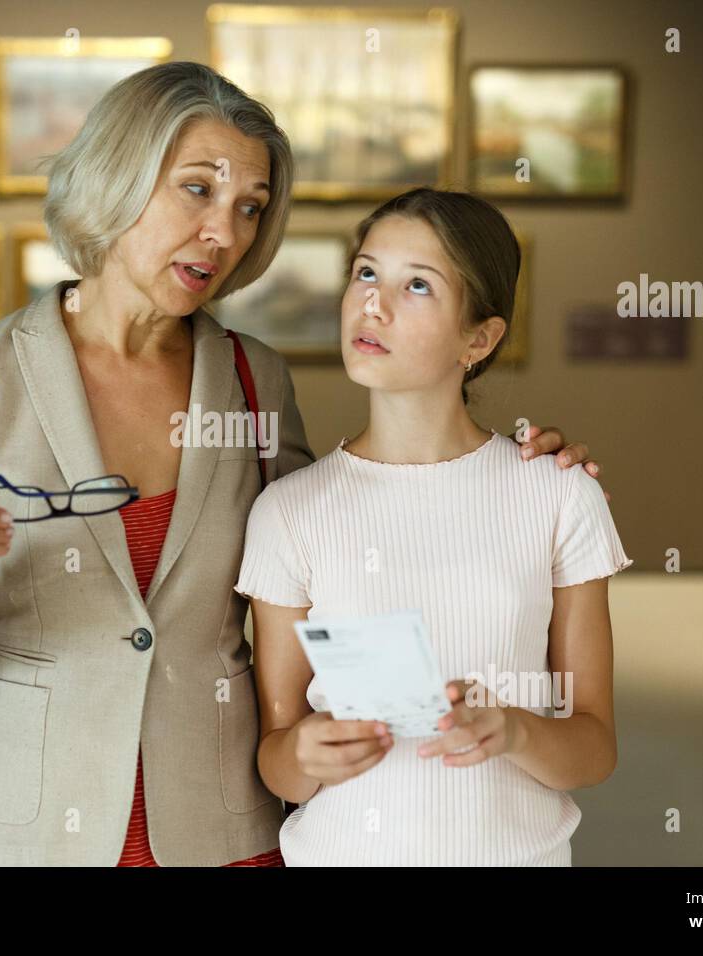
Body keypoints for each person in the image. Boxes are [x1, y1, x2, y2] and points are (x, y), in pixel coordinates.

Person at [0, 62, 601, 867]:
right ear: (116, 175)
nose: (227, 232)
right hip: (16, 834)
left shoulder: (253, 379)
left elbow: (349, 547)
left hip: (214, 831)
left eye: (250, 206)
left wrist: (515, 474)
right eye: (197, 190)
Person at [236, 188, 631, 866]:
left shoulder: (559, 494)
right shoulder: (289, 511)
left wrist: (512, 732)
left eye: (417, 285)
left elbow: (593, 750)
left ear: (479, 338)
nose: (373, 304)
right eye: (365, 272)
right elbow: (279, 761)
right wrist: (307, 753)